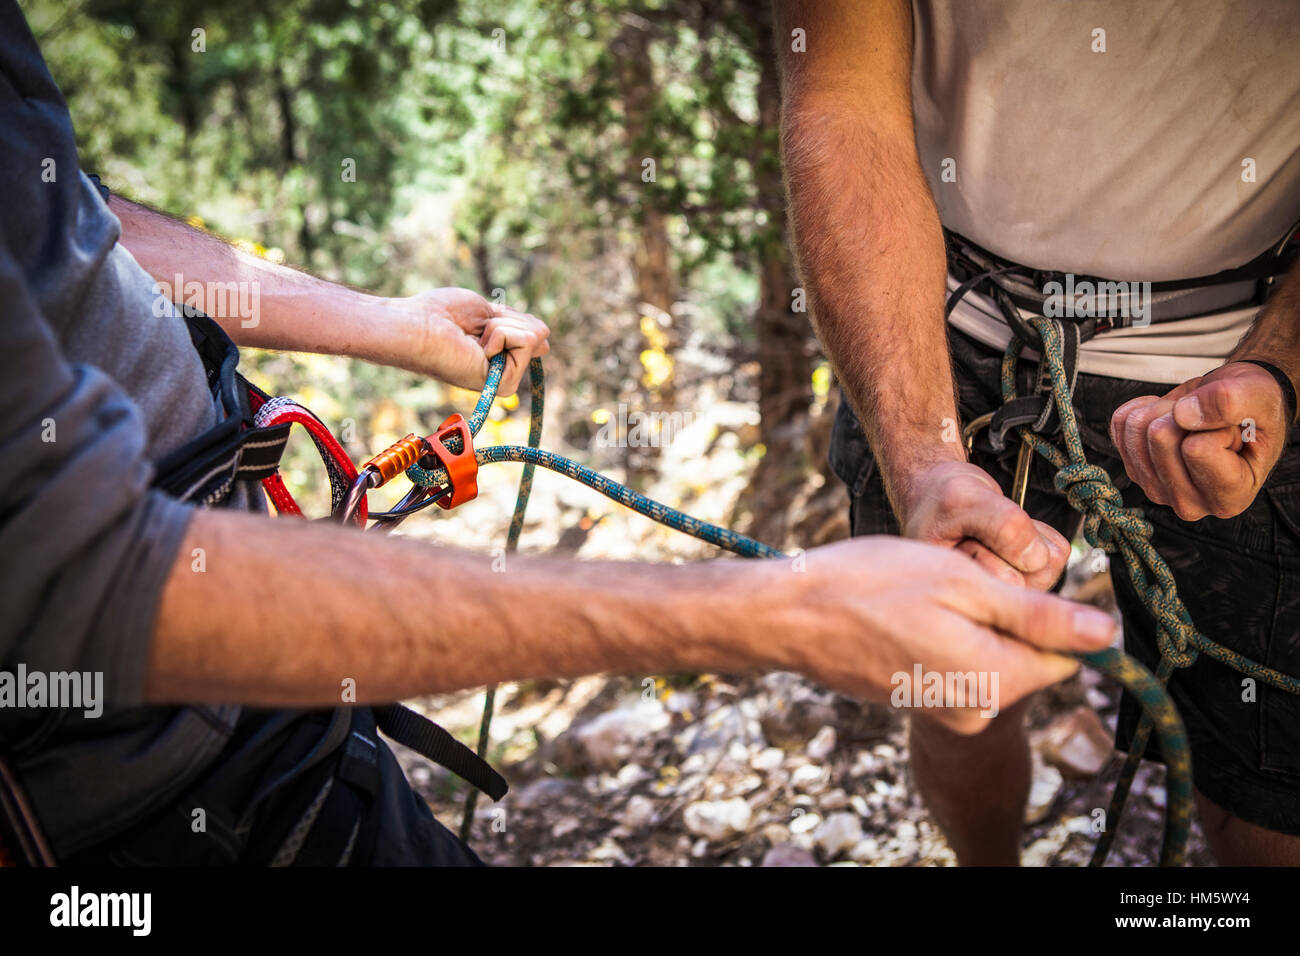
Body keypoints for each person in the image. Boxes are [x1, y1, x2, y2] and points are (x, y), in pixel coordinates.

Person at [0, 1, 1112, 866]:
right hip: (124, 790)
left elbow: (65, 219)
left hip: (258, 707)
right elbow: (81, 587)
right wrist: (783, 611)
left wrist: (385, 323)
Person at [776, 0, 1300, 865]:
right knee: (956, 682)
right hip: (949, 332)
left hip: (1236, 357)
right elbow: (841, 103)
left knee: (1275, 773)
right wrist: (922, 457)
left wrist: (1279, 363)